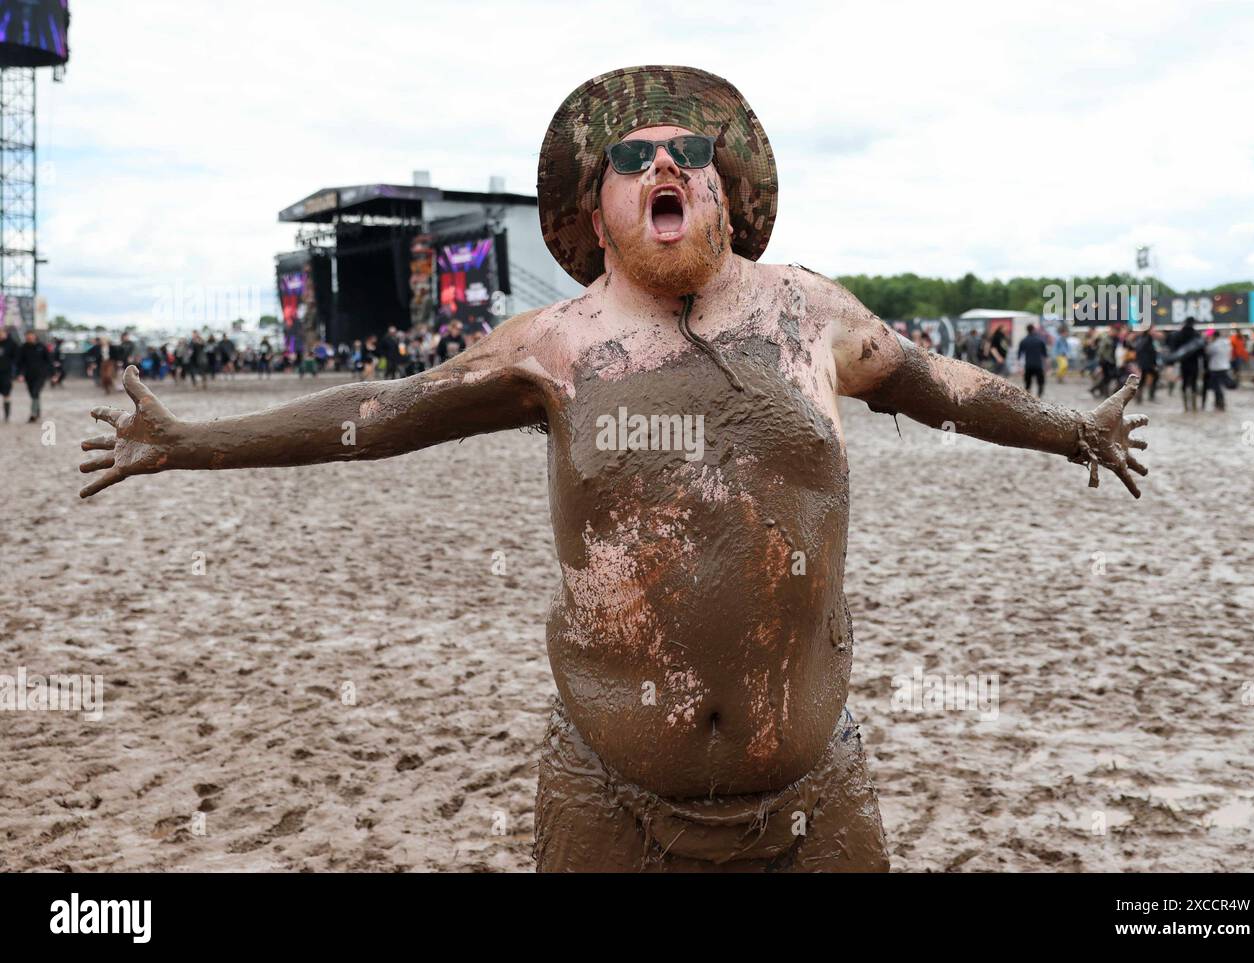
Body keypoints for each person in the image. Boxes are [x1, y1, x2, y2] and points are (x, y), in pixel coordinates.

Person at [77, 65, 1148, 873]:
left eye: (688, 155)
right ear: (595, 216)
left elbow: (946, 387)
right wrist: (191, 441)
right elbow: (376, 413)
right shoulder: (552, 347)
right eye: (632, 162)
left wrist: (1071, 430)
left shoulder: (810, 317)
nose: (664, 168)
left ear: (728, 198)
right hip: (606, 797)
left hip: (819, 793)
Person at [16, 329, 52, 422]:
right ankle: (37, 411)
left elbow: (48, 360)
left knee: (35, 392)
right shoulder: (23, 348)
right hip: (29, 375)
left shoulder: (41, 347)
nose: (29, 338)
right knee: (33, 394)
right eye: (27, 337)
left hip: (40, 375)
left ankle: (33, 414)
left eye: (31, 336)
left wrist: (52, 373)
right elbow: (20, 363)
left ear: (35, 336)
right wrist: (20, 374)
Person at [1017, 323, 1048, 397]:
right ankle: (1039, 396)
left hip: (1028, 365)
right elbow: (1044, 355)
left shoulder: (1023, 341)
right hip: (1038, 365)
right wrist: (1046, 366)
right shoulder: (1040, 341)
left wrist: (1020, 367)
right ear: (1033, 330)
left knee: (1027, 383)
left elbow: (1020, 355)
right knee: (1040, 382)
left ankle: (1028, 396)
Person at [1203, 330, 1232, 411]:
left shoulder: (1214, 345)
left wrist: (1208, 342)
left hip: (1216, 368)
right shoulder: (1227, 343)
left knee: (1217, 387)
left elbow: (1207, 352)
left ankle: (1219, 403)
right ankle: (1219, 402)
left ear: (1214, 336)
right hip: (1225, 367)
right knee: (1221, 386)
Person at [1134, 326, 1159, 402]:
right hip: (1148, 363)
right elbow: (1151, 353)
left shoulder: (1142, 339)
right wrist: (1154, 363)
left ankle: (1139, 396)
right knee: (1155, 376)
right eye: (1153, 330)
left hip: (1143, 363)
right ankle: (1150, 396)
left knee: (1144, 379)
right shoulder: (1148, 339)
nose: (1155, 332)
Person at [0, 326, 17, 422]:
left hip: (6, 373)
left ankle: (7, 415)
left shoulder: (11, 344)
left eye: (2, 333)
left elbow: (16, 358)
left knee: (6, 394)